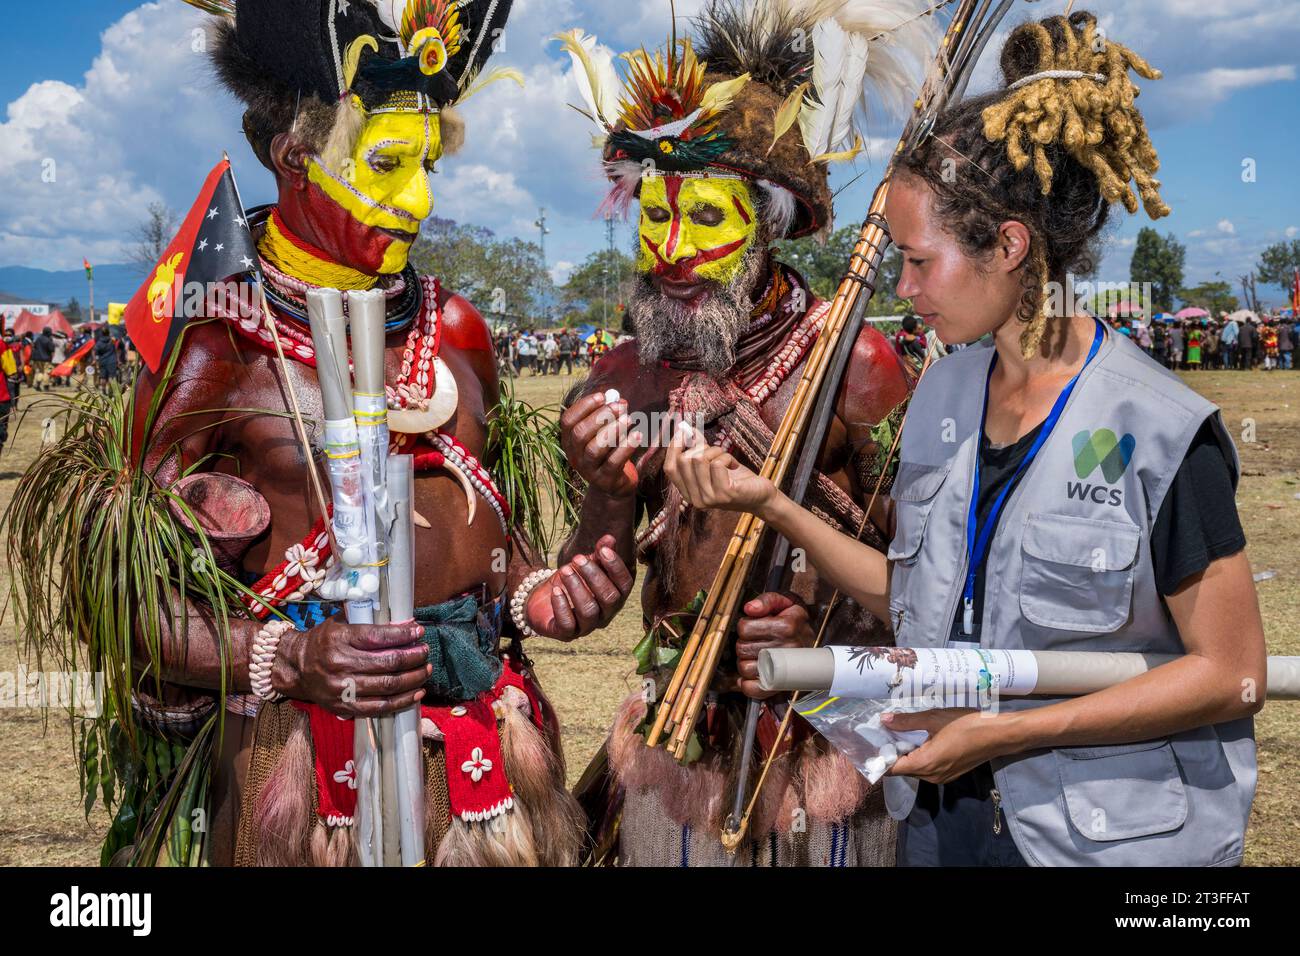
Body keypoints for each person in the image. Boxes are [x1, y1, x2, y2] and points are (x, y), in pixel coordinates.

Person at [663, 10, 1264, 867]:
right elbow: (915, 601)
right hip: (942, 827)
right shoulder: (945, 390)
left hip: (1107, 845)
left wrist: (1003, 734)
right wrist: (771, 504)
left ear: (1010, 245)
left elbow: (1230, 672)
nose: (901, 288)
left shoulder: (1160, 432)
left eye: (919, 261)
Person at [41, 0, 635, 866]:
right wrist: (284, 657)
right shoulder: (218, 342)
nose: (421, 198)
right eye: (388, 164)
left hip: (488, 753)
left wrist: (535, 593)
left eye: (428, 164)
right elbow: (120, 597)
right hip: (298, 772)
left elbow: (498, 540)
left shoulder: (458, 328)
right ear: (295, 157)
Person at [555, 0, 927, 866]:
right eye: (653, 216)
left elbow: (923, 585)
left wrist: (821, 645)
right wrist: (603, 497)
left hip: (827, 742)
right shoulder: (626, 374)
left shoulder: (855, 363)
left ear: (768, 225)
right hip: (679, 739)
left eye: (708, 219)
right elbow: (599, 572)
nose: (671, 249)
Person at [92, 327, 118, 391]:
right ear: (108, 333)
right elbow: (118, 342)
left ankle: (103, 390)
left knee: (103, 377)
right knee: (111, 377)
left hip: (102, 361)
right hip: (112, 361)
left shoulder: (99, 342)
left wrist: (95, 360)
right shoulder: (112, 340)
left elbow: (95, 352)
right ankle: (110, 390)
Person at [30, 325, 55, 391]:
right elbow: (52, 350)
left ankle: (37, 384)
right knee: (46, 372)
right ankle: (46, 386)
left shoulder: (38, 339)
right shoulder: (48, 340)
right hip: (46, 359)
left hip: (37, 359)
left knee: (40, 372)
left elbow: (34, 347)